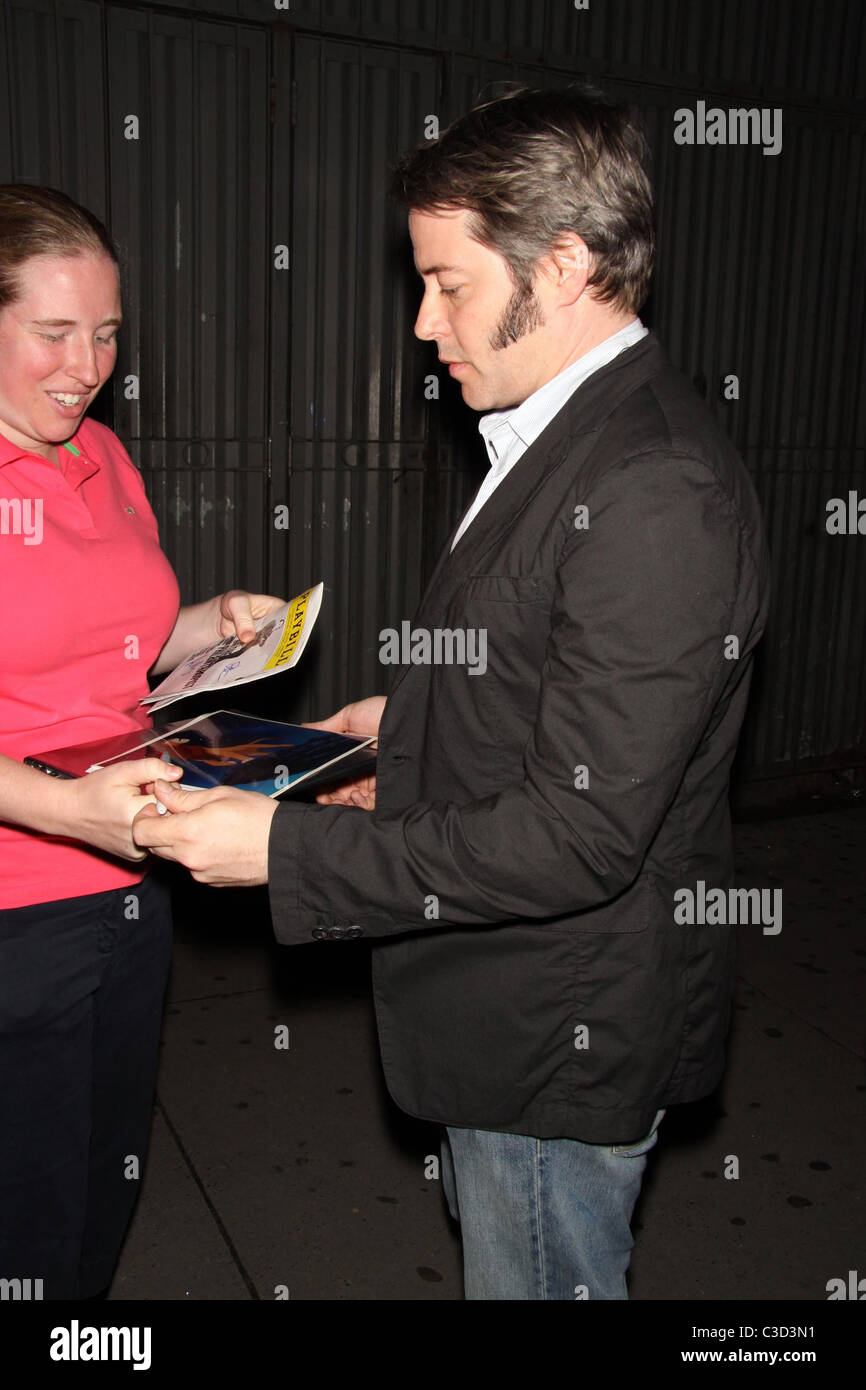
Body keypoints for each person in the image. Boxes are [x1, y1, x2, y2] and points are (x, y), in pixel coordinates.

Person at [133, 86, 771, 1300]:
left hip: (551, 1032)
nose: (423, 322)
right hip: (510, 1004)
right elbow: (557, 694)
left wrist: (286, 849)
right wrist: (405, 725)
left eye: (449, 283)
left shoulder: (652, 490)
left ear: (567, 264)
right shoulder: (563, 435)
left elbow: (582, 833)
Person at [0, 184, 285, 1300]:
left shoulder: (104, 457)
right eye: (54, 332)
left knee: (100, 1180)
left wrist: (204, 627)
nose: (87, 363)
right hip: (17, 903)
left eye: (108, 332)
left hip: (129, 873)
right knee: (26, 1204)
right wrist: (67, 808)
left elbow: (112, 653)